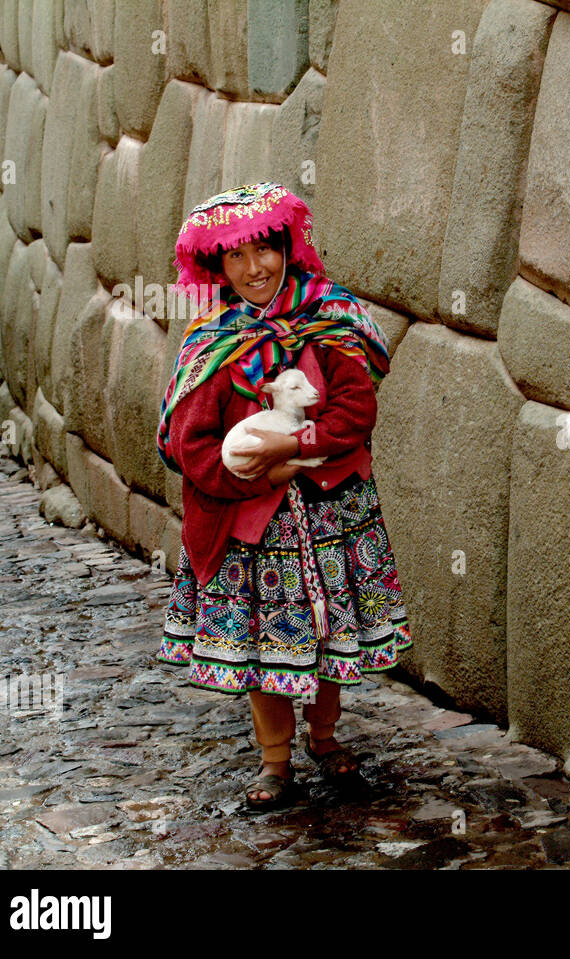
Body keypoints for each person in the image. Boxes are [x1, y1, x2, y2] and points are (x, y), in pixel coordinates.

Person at [154, 181, 412, 809]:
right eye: (235, 258)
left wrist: (294, 446)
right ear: (218, 267)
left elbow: (356, 408)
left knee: (327, 631)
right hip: (255, 528)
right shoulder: (214, 341)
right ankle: (275, 761)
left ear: (287, 248)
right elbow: (189, 446)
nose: (252, 269)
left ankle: (324, 738)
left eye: (262, 251)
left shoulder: (332, 320)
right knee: (261, 642)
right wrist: (254, 473)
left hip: (332, 515)